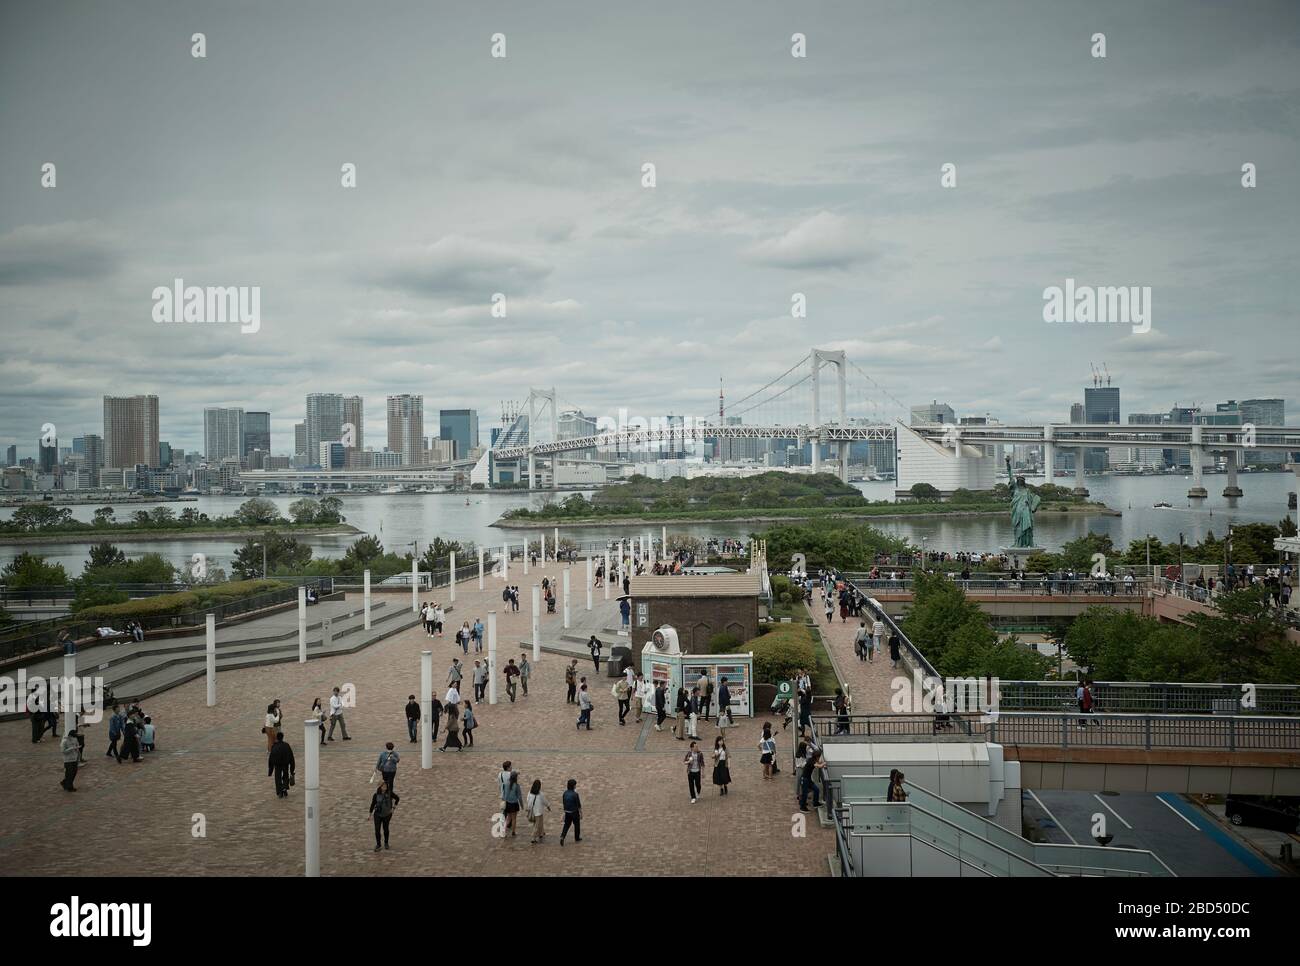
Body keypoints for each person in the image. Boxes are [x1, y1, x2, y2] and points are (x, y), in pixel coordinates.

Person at [369, 780, 399, 851]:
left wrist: (393, 808)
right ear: (380, 787)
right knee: (377, 830)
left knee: (385, 829)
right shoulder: (376, 795)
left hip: (387, 814)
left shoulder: (389, 793)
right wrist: (370, 814)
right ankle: (378, 844)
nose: (385, 787)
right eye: (383, 786)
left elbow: (397, 798)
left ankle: (386, 843)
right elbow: (372, 804)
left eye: (386, 785)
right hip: (377, 814)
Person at [268, 731, 295, 797]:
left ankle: (280, 792)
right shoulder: (286, 745)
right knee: (286, 776)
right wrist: (292, 769)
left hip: (277, 765)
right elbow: (291, 757)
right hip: (285, 764)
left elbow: (271, 758)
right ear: (282, 737)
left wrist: (270, 770)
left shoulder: (274, 746)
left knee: (278, 778)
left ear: (277, 738)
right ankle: (285, 788)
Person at [799, 747, 824, 812]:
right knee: (805, 793)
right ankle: (802, 807)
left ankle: (815, 803)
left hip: (808, 779)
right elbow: (819, 766)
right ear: (817, 757)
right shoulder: (811, 761)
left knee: (816, 789)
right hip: (805, 779)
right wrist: (824, 764)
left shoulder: (812, 759)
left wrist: (821, 764)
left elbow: (818, 763)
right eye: (819, 756)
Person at [526, 779, 551, 844]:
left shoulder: (529, 793)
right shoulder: (540, 794)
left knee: (540, 823)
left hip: (533, 811)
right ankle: (533, 838)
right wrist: (548, 806)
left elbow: (528, 801)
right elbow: (545, 801)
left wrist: (528, 808)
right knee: (536, 825)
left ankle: (541, 833)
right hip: (538, 812)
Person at [560, 778, 582, 846]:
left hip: (567, 812)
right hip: (574, 812)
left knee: (566, 825)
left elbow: (564, 803)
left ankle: (562, 836)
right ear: (573, 786)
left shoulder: (565, 793)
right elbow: (578, 805)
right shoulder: (575, 794)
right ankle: (577, 837)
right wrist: (581, 813)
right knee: (577, 825)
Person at [501, 770, 522, 838]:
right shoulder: (517, 786)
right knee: (514, 818)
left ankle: (504, 831)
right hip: (514, 804)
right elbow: (519, 796)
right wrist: (522, 805)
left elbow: (503, 794)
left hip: (507, 803)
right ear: (516, 778)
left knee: (508, 818)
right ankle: (513, 831)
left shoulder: (506, 784)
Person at [60, 727, 80, 791]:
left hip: (75, 759)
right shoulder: (65, 741)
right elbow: (63, 751)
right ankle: (70, 787)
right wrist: (71, 748)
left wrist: (78, 756)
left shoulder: (75, 739)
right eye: (74, 736)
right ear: (70, 735)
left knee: (74, 772)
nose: (74, 737)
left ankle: (65, 782)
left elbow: (77, 747)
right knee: (69, 773)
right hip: (68, 760)